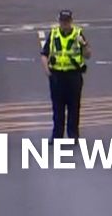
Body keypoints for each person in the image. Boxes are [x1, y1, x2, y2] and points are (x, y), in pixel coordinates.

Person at [40, 10, 91, 142]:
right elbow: (44, 53)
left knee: (74, 106)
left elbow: (88, 55)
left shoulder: (78, 34)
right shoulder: (54, 34)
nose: (65, 24)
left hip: (73, 75)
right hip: (57, 75)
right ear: (59, 21)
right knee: (57, 107)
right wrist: (47, 71)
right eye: (63, 21)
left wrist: (83, 44)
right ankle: (57, 134)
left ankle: (73, 134)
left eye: (67, 21)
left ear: (71, 21)